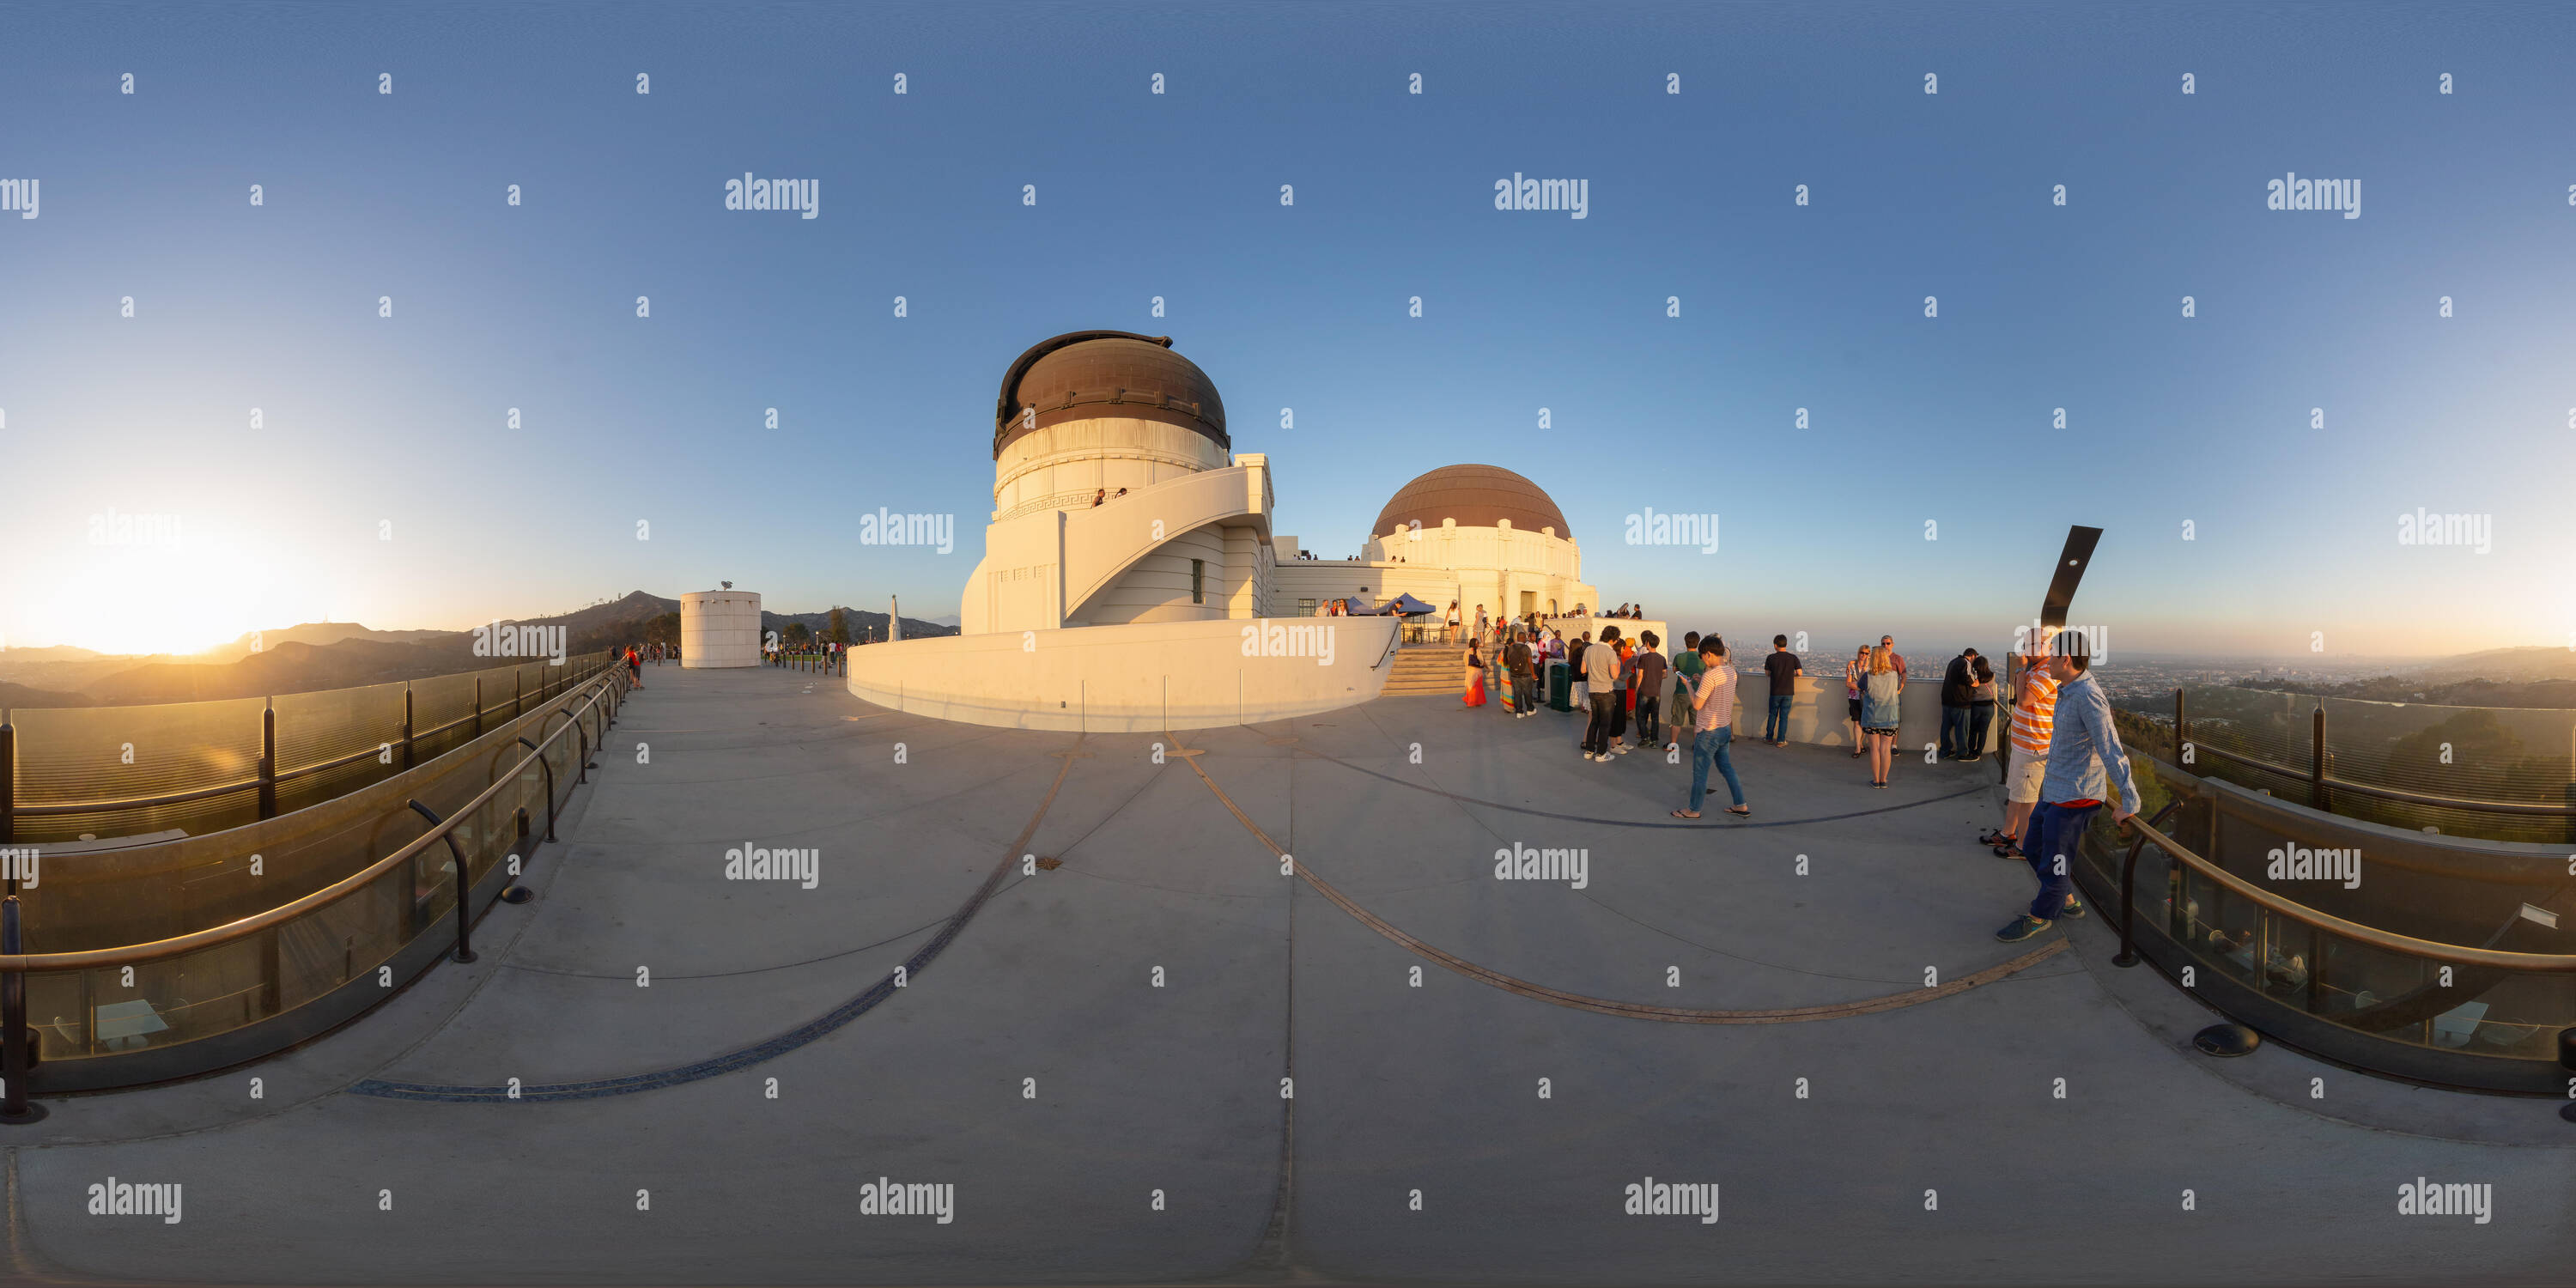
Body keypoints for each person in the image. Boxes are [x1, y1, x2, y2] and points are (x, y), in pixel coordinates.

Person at [1996, 633, 2141, 943]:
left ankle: (2041, 915)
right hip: (2056, 790)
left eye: (2053, 654)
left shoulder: (2088, 696)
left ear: (2066, 660)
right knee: (2032, 846)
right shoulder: (2067, 690)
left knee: (2054, 859)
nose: (2047, 659)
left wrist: (2129, 799)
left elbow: (2110, 748)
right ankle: (2067, 899)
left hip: (2076, 797)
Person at [1981, 642, 2060, 860]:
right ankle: (2008, 833)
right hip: (2022, 744)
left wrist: (2020, 670)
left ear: (2048, 647)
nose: (2028, 650)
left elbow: (2024, 700)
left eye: (2035, 646)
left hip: (2034, 747)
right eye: (2027, 645)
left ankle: (2025, 846)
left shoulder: (2047, 671)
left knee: (2027, 799)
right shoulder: (2034, 669)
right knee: (2017, 794)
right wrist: (2023, 670)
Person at [1672, 635, 1749, 818]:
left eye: (1702, 656)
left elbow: (1697, 705)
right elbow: (1716, 694)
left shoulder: (1710, 675)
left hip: (1708, 732)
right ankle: (1740, 804)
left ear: (1707, 654)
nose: (1702, 659)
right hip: (1724, 730)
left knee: (1700, 773)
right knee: (1727, 768)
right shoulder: (1731, 672)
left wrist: (1689, 685)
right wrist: (1700, 681)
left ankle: (1693, 810)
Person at [1860, 643, 1902, 787]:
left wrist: (1865, 665)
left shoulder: (1867, 676)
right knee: (1886, 750)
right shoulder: (1894, 675)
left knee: (1875, 750)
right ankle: (1884, 780)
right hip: (1890, 717)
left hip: (1872, 718)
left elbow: (1860, 686)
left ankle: (1876, 780)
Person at [1581, 625, 1622, 761]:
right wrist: (1618, 666)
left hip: (1592, 690)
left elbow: (1583, 670)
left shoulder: (1589, 649)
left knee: (1594, 721)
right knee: (1605, 724)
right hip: (1606, 691)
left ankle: (1589, 751)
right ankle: (1601, 754)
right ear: (1614, 640)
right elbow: (1615, 675)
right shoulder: (1610, 653)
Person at [1940, 647, 1978, 760]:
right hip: (1960, 702)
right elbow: (1969, 680)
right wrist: (1976, 683)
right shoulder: (1965, 663)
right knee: (1962, 729)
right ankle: (1962, 753)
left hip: (1947, 700)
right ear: (1973, 656)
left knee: (1945, 727)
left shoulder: (1953, 661)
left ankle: (1945, 751)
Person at [1668, 631, 1704, 752]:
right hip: (1698, 694)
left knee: (1677, 721)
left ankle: (1673, 745)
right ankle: (1696, 746)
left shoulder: (1679, 657)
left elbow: (1674, 670)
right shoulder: (1702, 658)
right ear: (1698, 643)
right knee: (1697, 723)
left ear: (1685, 642)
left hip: (1681, 692)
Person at [1761, 635, 1801, 746]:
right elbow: (1800, 673)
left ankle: (1769, 738)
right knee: (1784, 717)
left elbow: (1767, 673)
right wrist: (1790, 674)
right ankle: (1781, 740)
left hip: (1775, 692)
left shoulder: (1770, 658)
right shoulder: (1793, 657)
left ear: (1775, 645)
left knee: (1772, 715)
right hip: (1788, 692)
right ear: (1786, 644)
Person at [1633, 630, 1667, 748]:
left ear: (1648, 644)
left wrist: (1637, 689)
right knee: (1655, 717)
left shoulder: (1643, 657)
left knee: (1640, 715)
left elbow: (1640, 676)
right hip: (1656, 691)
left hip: (1644, 690)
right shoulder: (1662, 658)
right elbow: (1665, 674)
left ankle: (1645, 738)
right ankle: (1654, 740)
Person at [1965, 654, 1998, 763]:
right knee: (1983, 731)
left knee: (1973, 730)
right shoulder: (1993, 675)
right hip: (1989, 707)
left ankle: (1971, 751)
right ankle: (1979, 752)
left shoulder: (1975, 677)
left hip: (1976, 706)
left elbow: (1972, 686)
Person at [1844, 645, 1868, 757]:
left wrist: (1856, 685)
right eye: (1862, 652)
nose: (1864, 655)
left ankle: (1860, 744)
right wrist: (1862, 687)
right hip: (1854, 698)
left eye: (1867, 653)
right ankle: (1858, 747)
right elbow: (1848, 683)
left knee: (1864, 724)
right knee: (1856, 722)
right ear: (1858, 653)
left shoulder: (1871, 667)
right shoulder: (1852, 665)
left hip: (1867, 698)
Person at [1463, 638, 1487, 707]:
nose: (1478, 644)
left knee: (1471, 687)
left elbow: (1465, 661)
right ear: (1474, 644)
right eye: (1477, 643)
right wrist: (1487, 668)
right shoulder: (1478, 651)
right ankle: (1476, 701)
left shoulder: (1466, 652)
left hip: (1470, 672)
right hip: (1478, 673)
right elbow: (1482, 661)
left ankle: (1470, 701)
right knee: (1477, 688)